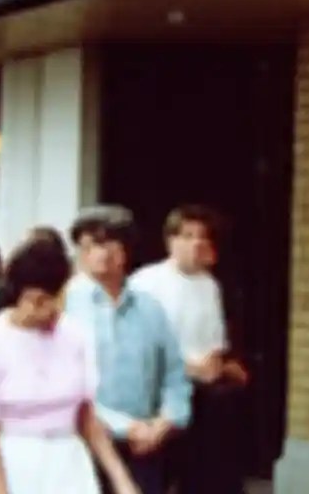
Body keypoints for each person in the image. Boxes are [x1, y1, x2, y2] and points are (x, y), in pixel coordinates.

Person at [0, 232, 140, 494]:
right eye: (37, 302)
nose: (48, 311)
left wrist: (121, 480)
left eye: (55, 300)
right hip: (9, 458)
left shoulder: (75, 337)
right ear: (17, 297)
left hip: (65, 464)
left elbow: (86, 415)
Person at [65, 205, 192, 494]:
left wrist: (167, 420)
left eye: (107, 242)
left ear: (125, 251)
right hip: (83, 444)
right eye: (89, 245)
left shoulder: (150, 308)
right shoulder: (66, 308)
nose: (98, 252)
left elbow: (174, 374)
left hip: (145, 446)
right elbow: (64, 385)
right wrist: (124, 426)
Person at [131, 204, 247, 494]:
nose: (197, 243)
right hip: (159, 394)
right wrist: (189, 368)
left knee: (202, 476)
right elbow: (139, 345)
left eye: (203, 237)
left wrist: (221, 365)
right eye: (188, 235)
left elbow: (214, 344)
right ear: (171, 241)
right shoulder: (147, 283)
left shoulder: (209, 285)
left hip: (202, 395)